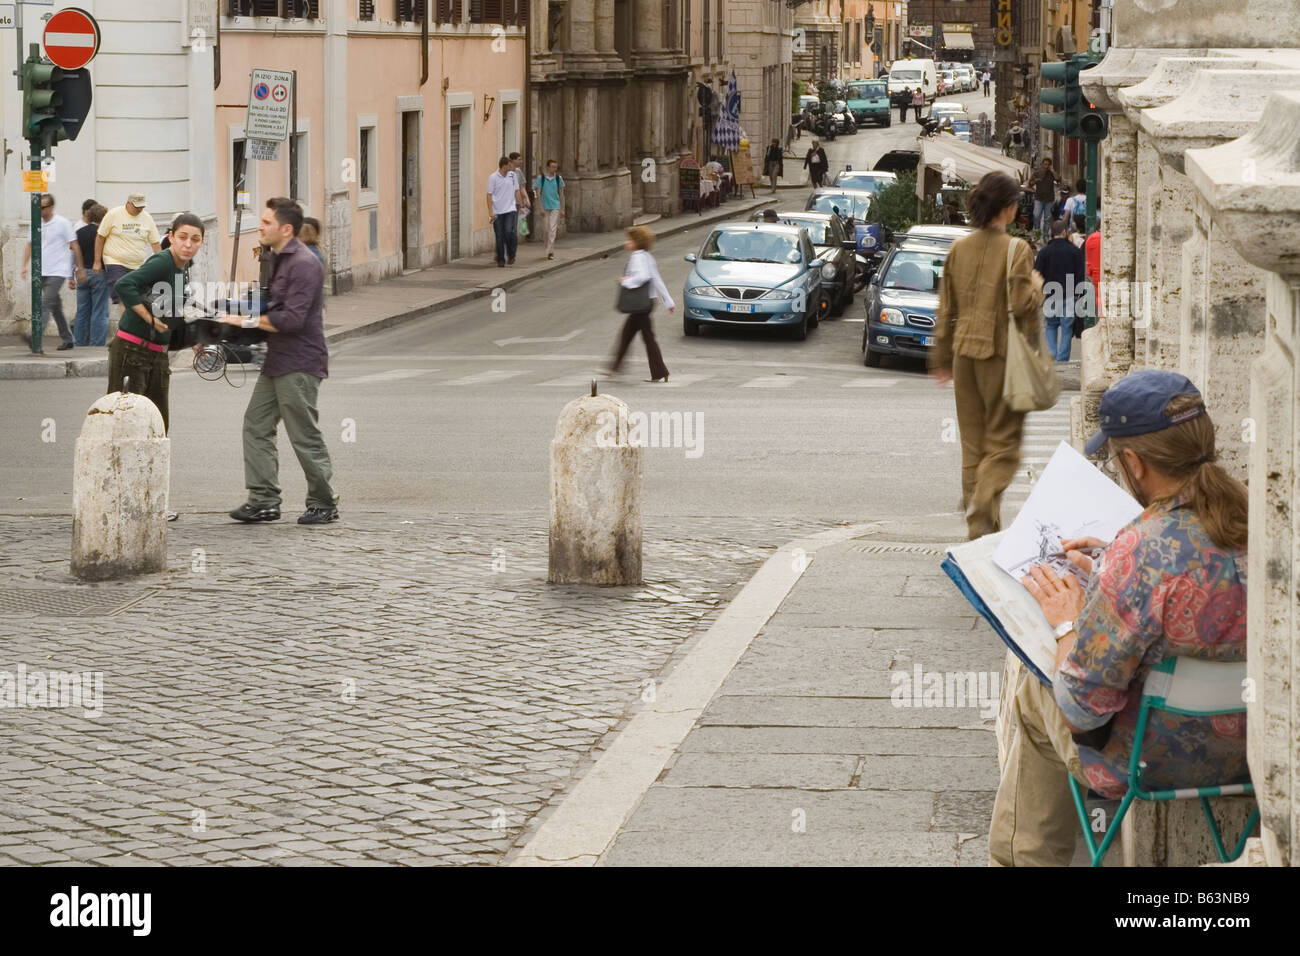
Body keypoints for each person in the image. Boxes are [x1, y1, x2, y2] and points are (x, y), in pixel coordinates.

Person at [990, 370, 1249, 866]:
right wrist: (1111, 568)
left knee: (1034, 692)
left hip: (1152, 763)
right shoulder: (1260, 518)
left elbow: (1081, 712)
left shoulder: (1139, 553)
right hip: (1254, 754)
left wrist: (1068, 621)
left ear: (1134, 462)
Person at [931, 172, 1045, 540]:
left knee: (973, 448)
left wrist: (941, 359)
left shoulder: (957, 250)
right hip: (1000, 357)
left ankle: (982, 532)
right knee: (1005, 447)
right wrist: (1038, 289)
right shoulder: (1017, 250)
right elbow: (1021, 304)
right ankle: (982, 506)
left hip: (965, 356)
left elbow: (945, 310)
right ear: (1009, 209)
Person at [220, 198, 338, 526]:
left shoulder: (303, 263)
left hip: (299, 362)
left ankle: (324, 502)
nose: (260, 226)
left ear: (286, 229)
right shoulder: (279, 259)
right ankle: (263, 500)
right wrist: (235, 318)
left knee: (303, 434)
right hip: (277, 359)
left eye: (267, 222)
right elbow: (272, 306)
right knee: (256, 425)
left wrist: (245, 321)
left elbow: (293, 319)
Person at [109, 213, 206, 435]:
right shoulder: (163, 261)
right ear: (171, 237)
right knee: (127, 426)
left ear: (201, 242)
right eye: (183, 237)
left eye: (195, 239)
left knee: (157, 427)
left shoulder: (182, 269)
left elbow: (175, 310)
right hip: (132, 352)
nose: (188, 244)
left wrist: (194, 340)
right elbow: (124, 285)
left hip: (158, 356)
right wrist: (150, 318)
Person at [606, 226, 672, 383]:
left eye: (629, 240)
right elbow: (656, 279)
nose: (626, 242)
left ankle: (659, 371)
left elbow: (643, 277)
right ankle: (615, 367)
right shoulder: (647, 257)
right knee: (631, 335)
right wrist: (668, 301)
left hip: (640, 304)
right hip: (648, 302)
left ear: (636, 242)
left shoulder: (637, 257)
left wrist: (626, 281)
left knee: (642, 337)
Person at [20, 195, 81, 351]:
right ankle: (68, 339)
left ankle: (34, 336)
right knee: (55, 306)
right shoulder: (36, 223)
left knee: (45, 304)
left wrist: (78, 269)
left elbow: (74, 246)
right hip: (40, 270)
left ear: (51, 207)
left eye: (43, 207)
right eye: (38, 207)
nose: (40, 211)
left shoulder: (63, 223)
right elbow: (29, 245)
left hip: (58, 271)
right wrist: (24, 265)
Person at [94, 192, 161, 325]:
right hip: (115, 262)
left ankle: (132, 330)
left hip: (138, 265)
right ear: (129, 203)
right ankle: (124, 330)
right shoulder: (114, 214)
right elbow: (100, 237)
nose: (140, 209)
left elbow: (155, 243)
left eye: (142, 207)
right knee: (124, 297)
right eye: (137, 206)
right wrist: (97, 261)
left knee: (138, 299)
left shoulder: (147, 218)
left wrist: (162, 263)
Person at [1034, 219, 1086, 362]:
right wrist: (1079, 296)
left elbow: (1037, 273)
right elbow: (1080, 276)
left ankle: (1051, 353)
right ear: (1065, 232)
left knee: (1050, 325)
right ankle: (1062, 359)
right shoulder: (1075, 252)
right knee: (1066, 328)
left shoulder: (1044, 252)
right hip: (1069, 295)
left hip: (1050, 295)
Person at [73, 203, 111, 348]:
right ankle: (96, 344)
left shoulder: (79, 232)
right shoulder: (103, 234)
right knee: (99, 311)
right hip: (99, 272)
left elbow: (74, 253)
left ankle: (79, 343)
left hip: (82, 273)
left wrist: (75, 272)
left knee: (82, 310)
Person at [486, 156, 519, 267]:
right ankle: (500, 259)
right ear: (504, 166)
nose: (512, 167)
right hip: (497, 211)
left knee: (509, 232)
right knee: (499, 236)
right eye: (510, 165)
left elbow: (517, 190)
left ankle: (511, 254)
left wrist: (519, 204)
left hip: (510, 209)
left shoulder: (513, 176)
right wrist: (491, 212)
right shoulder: (493, 177)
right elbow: (489, 195)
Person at [532, 159, 565, 260]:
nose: (554, 169)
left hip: (555, 206)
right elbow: (538, 194)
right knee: (545, 229)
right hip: (545, 206)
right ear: (548, 167)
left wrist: (563, 209)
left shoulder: (558, 179)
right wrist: (540, 207)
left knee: (552, 228)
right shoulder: (541, 178)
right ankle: (547, 245)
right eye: (552, 167)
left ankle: (550, 251)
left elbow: (562, 194)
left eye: (556, 167)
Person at [1029, 158, 1057, 238]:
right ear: (1042, 164)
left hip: (1049, 199)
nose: (1046, 166)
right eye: (1045, 164)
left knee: (1047, 218)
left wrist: (1053, 171)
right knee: (1036, 215)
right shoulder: (1037, 173)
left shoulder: (1051, 173)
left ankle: (1045, 235)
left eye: (1048, 165)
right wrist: (1035, 181)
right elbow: (1030, 184)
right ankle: (1037, 232)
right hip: (1039, 198)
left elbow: (1058, 179)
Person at [508, 151, 531, 242]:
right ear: (512, 160)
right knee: (508, 227)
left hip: (517, 203)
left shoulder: (518, 172)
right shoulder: (507, 172)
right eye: (519, 159)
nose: (521, 161)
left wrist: (526, 198)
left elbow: (522, 187)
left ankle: (511, 248)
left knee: (514, 226)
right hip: (507, 203)